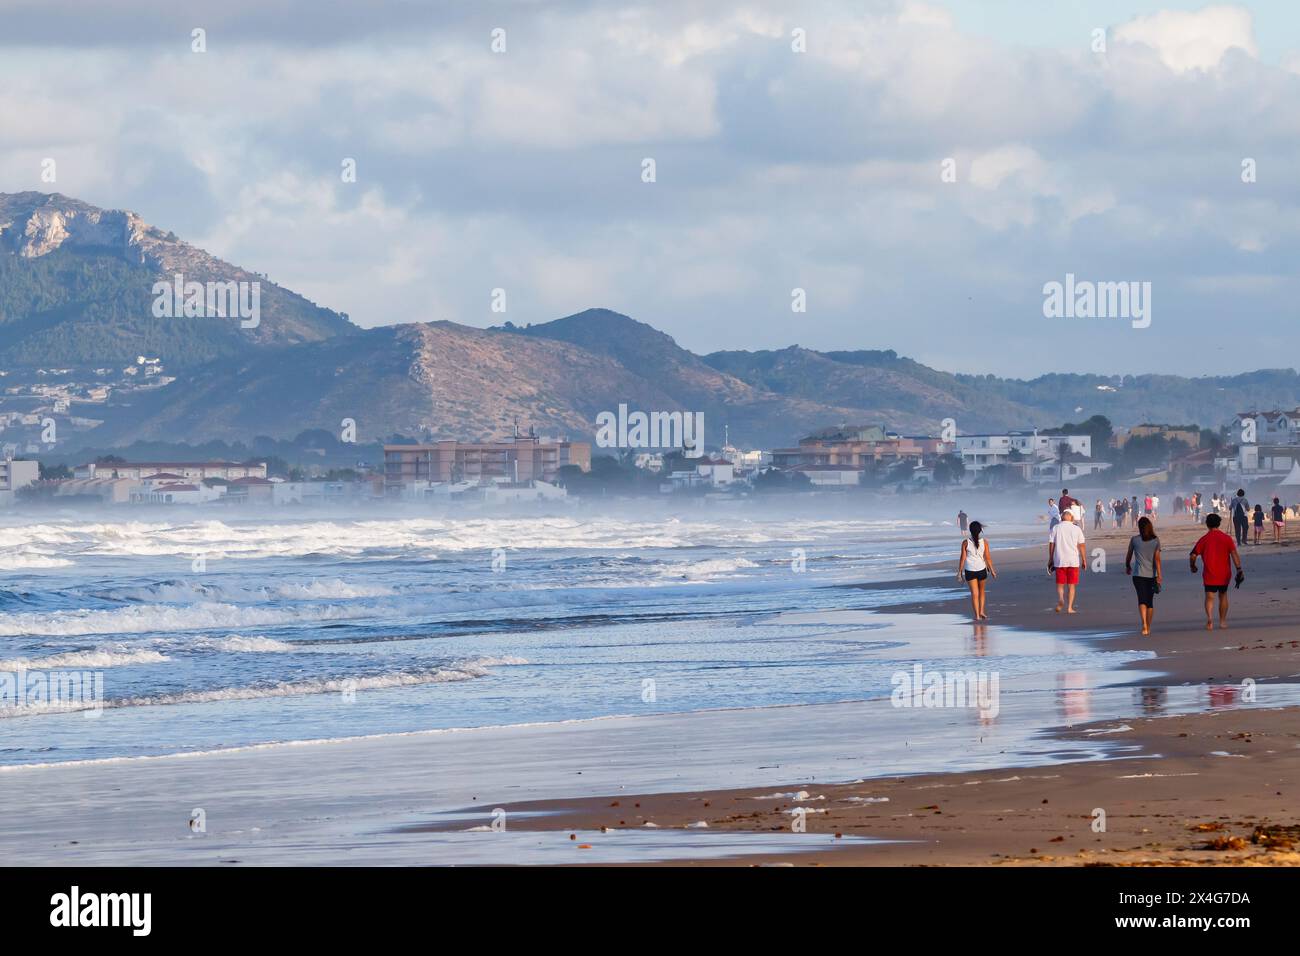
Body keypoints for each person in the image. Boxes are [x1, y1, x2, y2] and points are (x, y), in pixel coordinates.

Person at [1190, 513, 1243, 631]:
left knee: (1209, 597)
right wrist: (1239, 569)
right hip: (1224, 574)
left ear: (1207, 524)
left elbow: (1193, 555)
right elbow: (1234, 554)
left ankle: (1210, 619)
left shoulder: (1204, 539)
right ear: (1219, 523)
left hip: (1209, 573)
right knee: (1223, 596)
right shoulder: (1226, 538)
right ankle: (1223, 621)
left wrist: (1193, 566)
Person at [1125, 516, 1162, 636]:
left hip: (1138, 575)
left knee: (1141, 599)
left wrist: (1127, 566)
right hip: (1152, 575)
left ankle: (1144, 625)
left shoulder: (1134, 540)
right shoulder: (1155, 540)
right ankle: (1148, 626)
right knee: (1149, 602)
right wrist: (1159, 575)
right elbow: (1157, 560)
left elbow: (1129, 555)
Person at [1048, 508, 1087, 614]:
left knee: (1060, 584)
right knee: (1071, 585)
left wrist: (1050, 559)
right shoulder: (1076, 529)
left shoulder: (1055, 528)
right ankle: (1069, 608)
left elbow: (1052, 544)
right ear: (1072, 518)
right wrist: (1084, 560)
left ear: (1062, 517)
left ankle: (1061, 599)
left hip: (1059, 560)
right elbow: (1082, 545)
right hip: (1073, 561)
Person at [957, 520, 995, 620]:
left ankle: (977, 616)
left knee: (974, 594)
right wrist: (993, 570)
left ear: (970, 530)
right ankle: (982, 611)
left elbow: (963, 558)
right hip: (982, 569)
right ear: (980, 531)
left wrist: (959, 572)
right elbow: (988, 557)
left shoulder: (965, 542)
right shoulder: (985, 542)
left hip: (970, 570)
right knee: (982, 591)